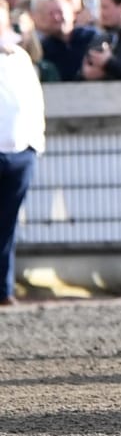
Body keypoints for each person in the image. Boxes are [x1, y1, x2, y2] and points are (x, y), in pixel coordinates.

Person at [0, 26, 43, 304]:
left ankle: (4, 289)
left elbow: (34, 101)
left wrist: (35, 144)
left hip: (20, 152)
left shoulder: (19, 58)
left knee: (7, 225)